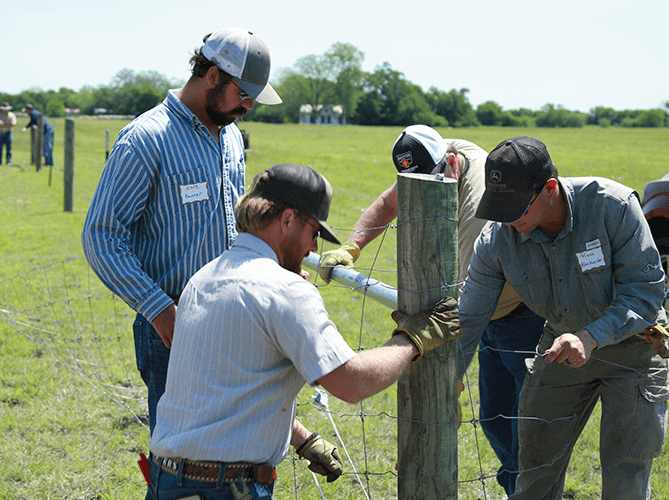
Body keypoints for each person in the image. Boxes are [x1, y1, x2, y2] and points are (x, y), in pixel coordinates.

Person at [146, 163, 461, 500]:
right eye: (314, 233)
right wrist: (413, 337)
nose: (312, 248)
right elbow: (351, 382)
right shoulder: (284, 290)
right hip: (226, 488)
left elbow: (226, 387)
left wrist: (301, 439)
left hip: (167, 479)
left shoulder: (203, 278)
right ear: (287, 220)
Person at [317, 125, 544, 494]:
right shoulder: (435, 157)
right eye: (415, 185)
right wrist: (352, 247)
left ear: (451, 164)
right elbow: (389, 203)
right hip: (488, 318)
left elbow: (469, 300)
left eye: (432, 183)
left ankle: (531, 490)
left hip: (523, 314)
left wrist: (448, 384)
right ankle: (516, 488)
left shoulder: (478, 204)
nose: (422, 195)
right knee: (494, 417)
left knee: (530, 421)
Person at [81, 27, 282, 433]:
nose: (248, 107)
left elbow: (234, 224)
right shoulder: (146, 139)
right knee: (178, 454)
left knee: (230, 448)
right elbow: (102, 235)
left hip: (232, 319)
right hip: (173, 326)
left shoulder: (231, 137)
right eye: (243, 95)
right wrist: (159, 310)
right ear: (213, 76)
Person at [460, 136, 669, 499]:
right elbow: (469, 316)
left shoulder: (612, 205)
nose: (508, 220)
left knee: (626, 473)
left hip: (635, 346)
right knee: (534, 469)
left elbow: (645, 291)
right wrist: (448, 381)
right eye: (499, 208)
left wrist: (590, 337)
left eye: (516, 208)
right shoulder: (497, 238)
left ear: (549, 188)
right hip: (562, 346)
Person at [21, 103, 54, 169]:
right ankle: (48, 162)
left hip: (47, 130)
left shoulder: (33, 114)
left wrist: (26, 127)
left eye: (26, 111)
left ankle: (49, 162)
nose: (26, 112)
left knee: (47, 146)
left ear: (29, 110)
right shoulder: (35, 112)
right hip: (45, 130)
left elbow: (32, 122)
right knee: (45, 146)